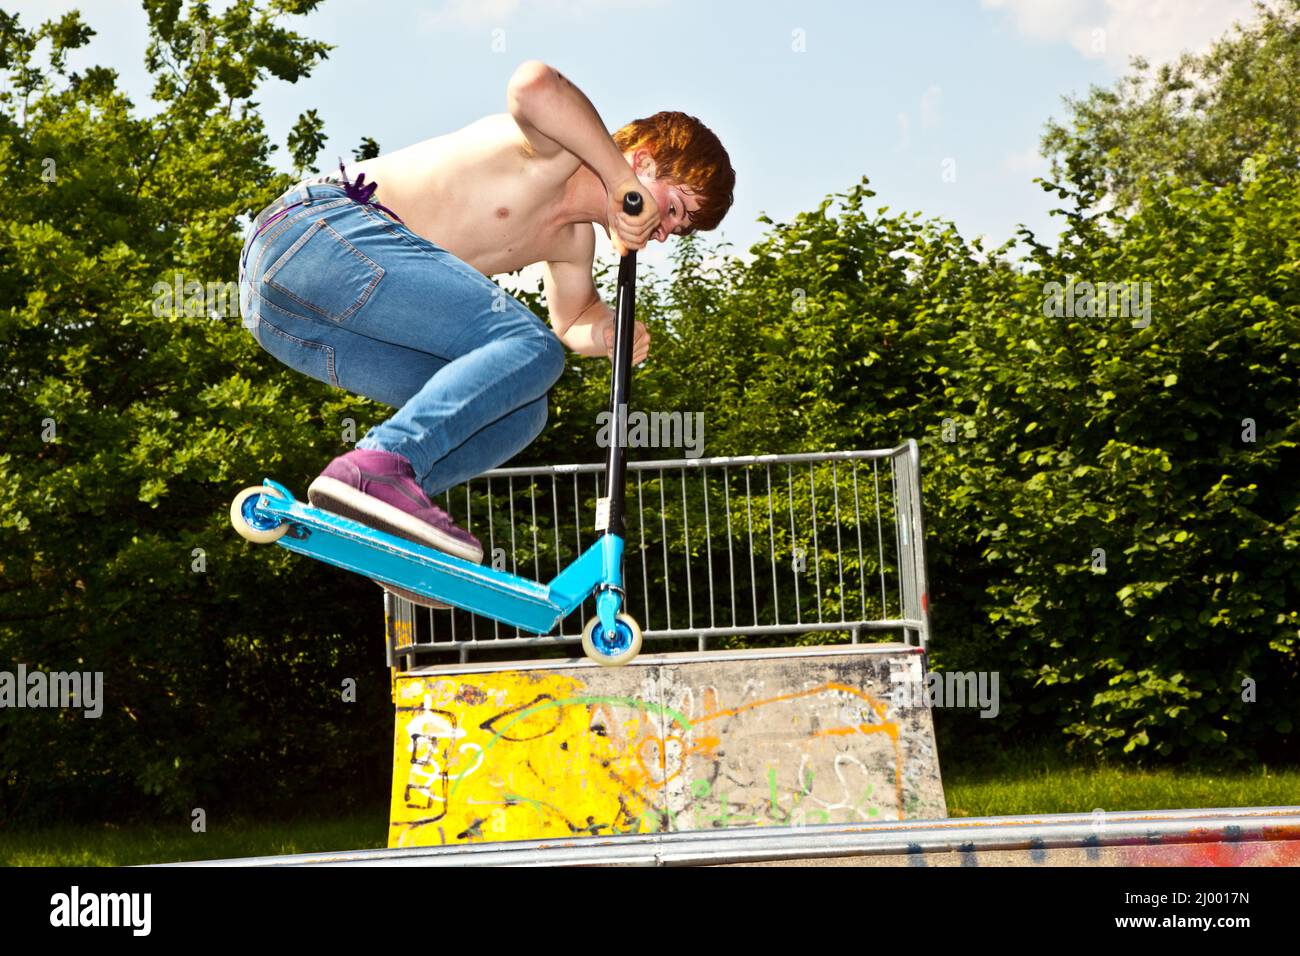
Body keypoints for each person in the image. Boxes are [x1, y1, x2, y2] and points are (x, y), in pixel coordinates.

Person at [237, 60, 735, 603]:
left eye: (677, 230)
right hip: (313, 236)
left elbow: (572, 322)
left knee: (522, 409)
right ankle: (377, 467)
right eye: (673, 208)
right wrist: (618, 182)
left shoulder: (572, 243)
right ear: (643, 161)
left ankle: (378, 509)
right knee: (527, 346)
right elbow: (534, 84)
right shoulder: (555, 153)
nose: (663, 232)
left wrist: (609, 331)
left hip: (295, 323)